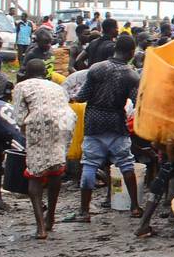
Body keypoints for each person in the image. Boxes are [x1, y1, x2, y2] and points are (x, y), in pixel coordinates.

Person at [70, 33, 141, 223]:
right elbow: (136, 102)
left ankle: (84, 211)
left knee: (90, 164)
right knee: (126, 163)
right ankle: (134, 207)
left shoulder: (96, 69)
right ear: (132, 52)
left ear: (115, 48)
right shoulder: (131, 75)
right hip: (117, 123)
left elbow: (82, 96)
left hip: (93, 122)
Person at [12, 59, 75, 239]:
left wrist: (28, 136)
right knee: (56, 169)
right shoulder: (56, 86)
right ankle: (51, 218)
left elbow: (18, 117)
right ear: (45, 73)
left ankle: (40, 228)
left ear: (26, 72)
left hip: (40, 124)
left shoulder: (22, 86)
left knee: (36, 173)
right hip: (65, 123)